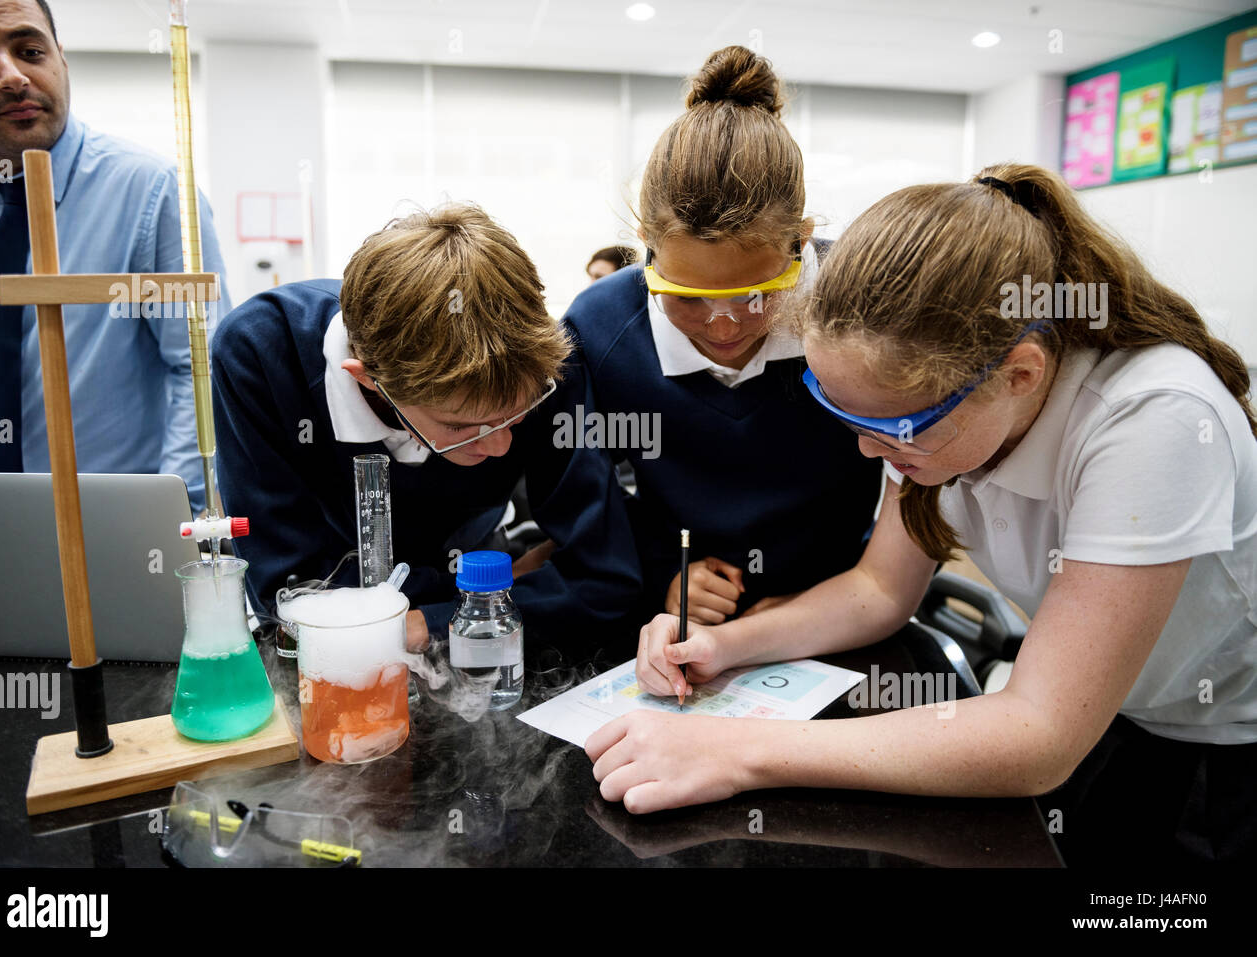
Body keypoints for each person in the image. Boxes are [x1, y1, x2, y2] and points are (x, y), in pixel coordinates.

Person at [587, 163, 1257, 866]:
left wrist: (736, 750)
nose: (866, 448)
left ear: (1019, 374)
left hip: (1226, 742)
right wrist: (726, 647)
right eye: (842, 411)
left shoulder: (1153, 420)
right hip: (1115, 713)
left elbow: (1039, 733)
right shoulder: (941, 411)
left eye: (895, 429)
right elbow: (879, 589)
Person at [212, 204, 641, 658]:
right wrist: (491, 588)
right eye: (461, 426)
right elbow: (293, 599)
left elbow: (604, 580)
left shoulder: (544, 363)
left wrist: (428, 620)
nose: (500, 446)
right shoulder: (261, 352)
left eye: (516, 414)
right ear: (366, 379)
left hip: (478, 576)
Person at [564, 46, 882, 628]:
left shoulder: (863, 303)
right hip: (679, 615)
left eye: (757, 293)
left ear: (802, 241)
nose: (723, 324)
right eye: (685, 298)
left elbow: (931, 473)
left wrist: (831, 605)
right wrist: (664, 569)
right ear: (646, 248)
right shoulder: (598, 328)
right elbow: (583, 496)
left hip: (845, 606)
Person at [0, 0, 229, 513]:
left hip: (121, 523)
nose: (11, 77)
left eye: (30, 50)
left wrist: (170, 519)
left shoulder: (154, 193)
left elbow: (197, 371)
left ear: (61, 58)